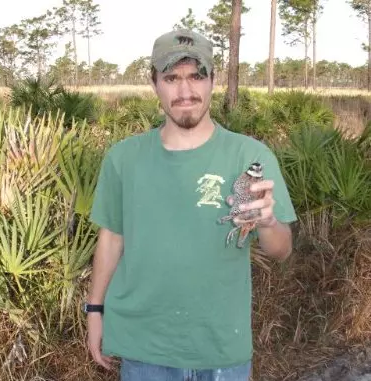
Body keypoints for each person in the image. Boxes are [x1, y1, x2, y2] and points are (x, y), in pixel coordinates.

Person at [85, 29, 297, 381]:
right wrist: (94, 310)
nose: (185, 91)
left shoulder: (250, 156)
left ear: (213, 80)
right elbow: (111, 238)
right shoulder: (124, 158)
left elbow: (282, 250)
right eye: (172, 78)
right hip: (144, 348)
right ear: (155, 83)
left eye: (197, 76)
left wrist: (268, 223)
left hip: (221, 350)